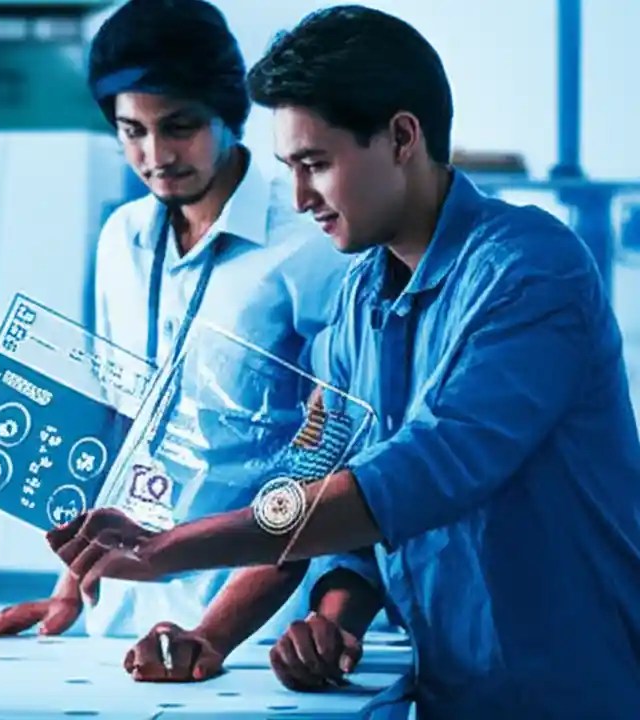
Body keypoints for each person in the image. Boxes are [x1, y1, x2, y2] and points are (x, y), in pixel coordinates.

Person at [45, 5, 640, 718]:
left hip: (572, 691)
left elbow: (418, 474)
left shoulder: (529, 271)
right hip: (449, 690)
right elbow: (316, 479)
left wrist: (169, 548)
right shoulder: (363, 297)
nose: (301, 199)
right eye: (290, 168)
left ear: (400, 137)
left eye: (316, 165)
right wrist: (303, 621)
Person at [0, 0, 350, 679]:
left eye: (179, 127)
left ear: (228, 114)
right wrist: (69, 594)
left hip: (249, 638)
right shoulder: (120, 239)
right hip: (116, 628)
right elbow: (122, 430)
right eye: (132, 131)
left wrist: (213, 636)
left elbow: (321, 476)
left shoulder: (311, 251)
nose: (156, 155)